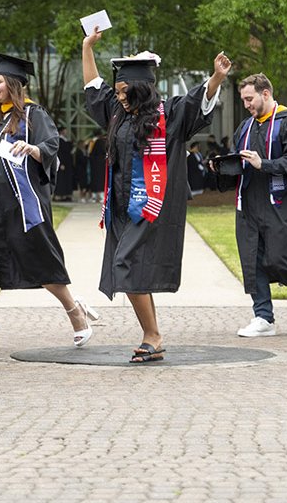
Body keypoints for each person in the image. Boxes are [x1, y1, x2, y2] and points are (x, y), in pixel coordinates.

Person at [81, 26, 230, 362]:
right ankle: (152, 337)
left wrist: (216, 78)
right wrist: (86, 47)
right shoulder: (118, 111)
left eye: (123, 91)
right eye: (117, 91)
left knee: (127, 263)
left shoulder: (170, 115)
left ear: (140, 89)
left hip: (152, 204)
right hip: (121, 205)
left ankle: (153, 335)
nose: (118, 96)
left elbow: (198, 102)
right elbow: (93, 88)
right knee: (132, 267)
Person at [0, 53, 98, 354]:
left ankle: (75, 312)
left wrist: (33, 148)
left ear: (13, 84)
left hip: (22, 209)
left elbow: (52, 146)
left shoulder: (33, 116)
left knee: (42, 265)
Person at [211, 73, 287, 337]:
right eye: (244, 100)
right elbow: (241, 163)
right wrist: (221, 167)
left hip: (281, 204)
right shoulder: (246, 127)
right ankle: (263, 317)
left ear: (265, 94)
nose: (247, 104)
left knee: (282, 257)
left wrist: (266, 165)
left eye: (250, 99)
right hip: (250, 204)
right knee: (253, 259)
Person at [54, 127, 76, 202]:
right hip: (63, 163)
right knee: (62, 180)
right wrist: (61, 163)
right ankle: (59, 196)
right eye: (64, 131)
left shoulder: (64, 140)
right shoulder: (60, 140)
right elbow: (60, 153)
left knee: (66, 180)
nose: (66, 132)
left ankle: (66, 195)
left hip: (68, 164)